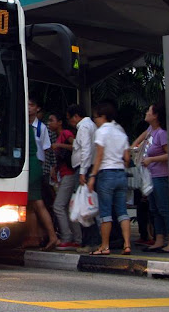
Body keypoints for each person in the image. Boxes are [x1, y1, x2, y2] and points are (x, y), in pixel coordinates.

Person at [87, 101, 132, 256]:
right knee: (122, 211)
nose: (95, 121)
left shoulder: (101, 132)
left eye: (96, 118)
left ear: (103, 116)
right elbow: (127, 158)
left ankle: (105, 246)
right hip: (121, 173)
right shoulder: (121, 132)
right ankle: (127, 244)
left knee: (106, 212)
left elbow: (99, 156)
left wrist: (93, 175)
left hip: (106, 174)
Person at [140, 101, 169, 253]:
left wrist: (151, 159)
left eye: (149, 111)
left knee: (164, 208)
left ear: (155, 116)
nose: (146, 113)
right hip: (151, 176)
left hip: (161, 176)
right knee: (154, 209)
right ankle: (159, 239)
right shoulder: (151, 131)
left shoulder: (162, 133)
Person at [66, 103, 99, 253]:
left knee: (84, 207)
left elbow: (86, 150)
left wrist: (82, 172)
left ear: (76, 116)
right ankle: (90, 241)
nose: (70, 123)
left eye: (70, 119)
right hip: (86, 168)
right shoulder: (90, 125)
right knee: (85, 205)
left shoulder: (84, 127)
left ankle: (90, 241)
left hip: (83, 168)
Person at [24, 123, 60, 251]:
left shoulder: (24, 126)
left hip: (30, 167)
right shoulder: (28, 127)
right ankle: (34, 236)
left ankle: (52, 236)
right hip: (33, 165)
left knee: (37, 204)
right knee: (31, 205)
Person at [49, 111, 81, 250]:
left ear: (60, 122)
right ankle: (77, 238)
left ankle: (67, 236)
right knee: (68, 208)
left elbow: (75, 146)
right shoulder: (59, 136)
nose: (49, 123)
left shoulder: (65, 133)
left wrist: (59, 145)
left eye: (51, 120)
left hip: (69, 174)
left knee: (58, 206)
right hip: (64, 174)